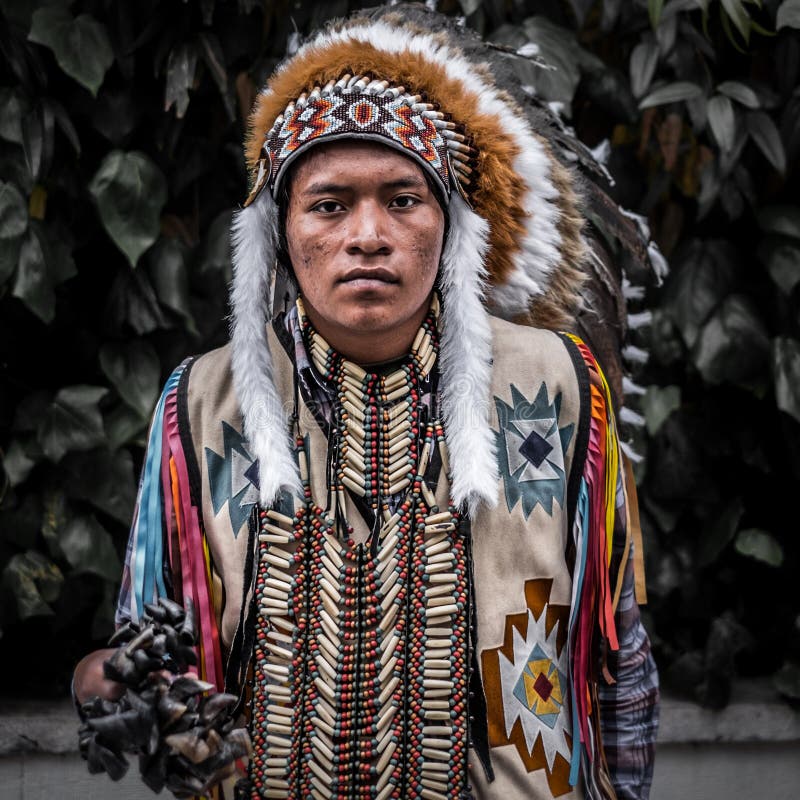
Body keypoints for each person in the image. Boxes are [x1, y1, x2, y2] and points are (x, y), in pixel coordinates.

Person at [74, 10, 659, 800]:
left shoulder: (553, 387)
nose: (369, 235)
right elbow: (144, 647)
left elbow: (620, 662)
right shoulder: (203, 405)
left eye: (404, 199)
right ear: (279, 236)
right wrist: (106, 683)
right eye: (329, 204)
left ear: (452, 230)